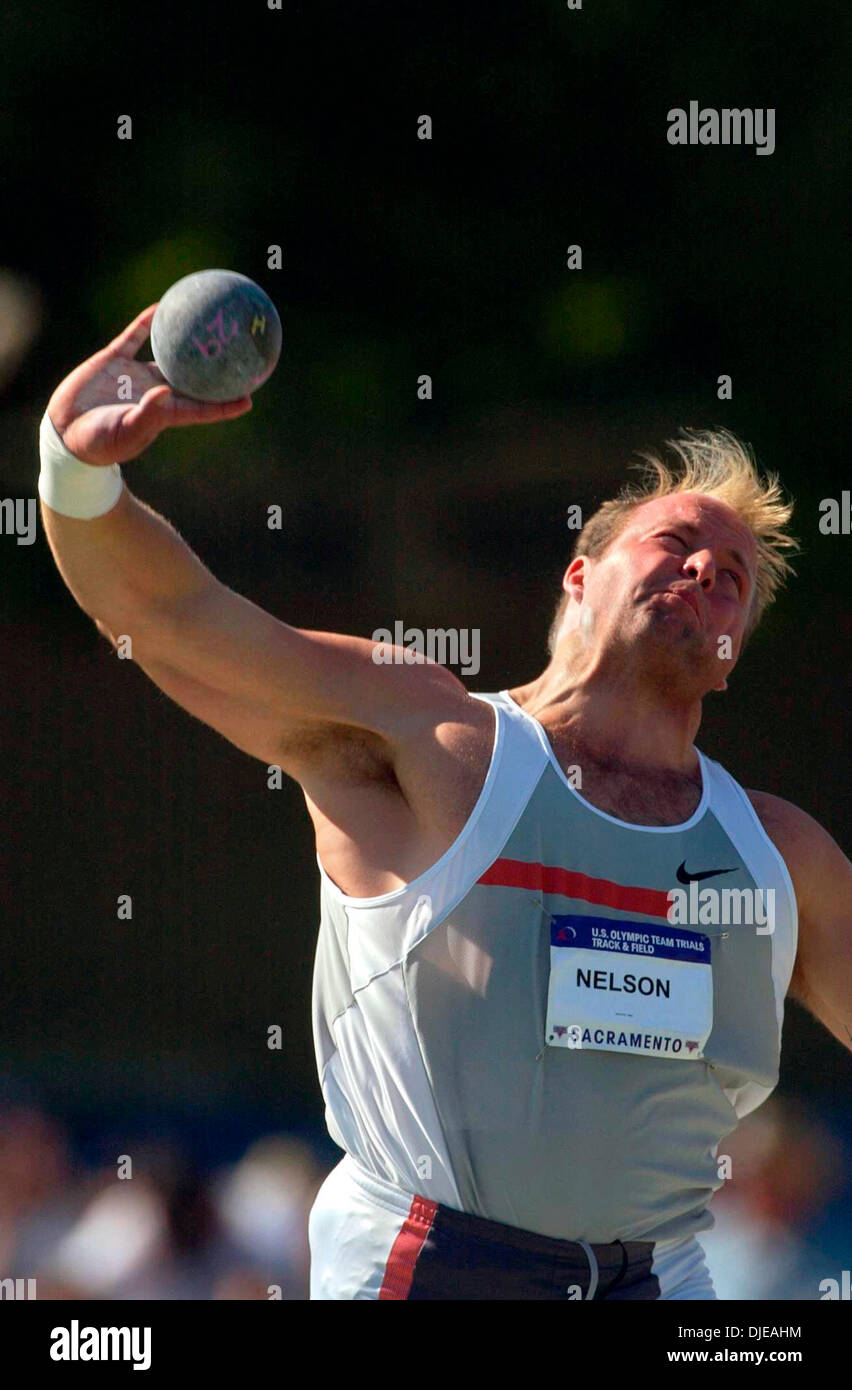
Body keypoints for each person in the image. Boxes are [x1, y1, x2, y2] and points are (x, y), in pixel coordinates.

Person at [38, 306, 852, 1300]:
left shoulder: (776, 854)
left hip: (659, 1279)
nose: (702, 573)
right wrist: (77, 478)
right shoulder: (434, 737)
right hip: (432, 1265)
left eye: (733, 582)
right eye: (678, 541)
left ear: (734, 657)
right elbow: (171, 617)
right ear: (581, 574)